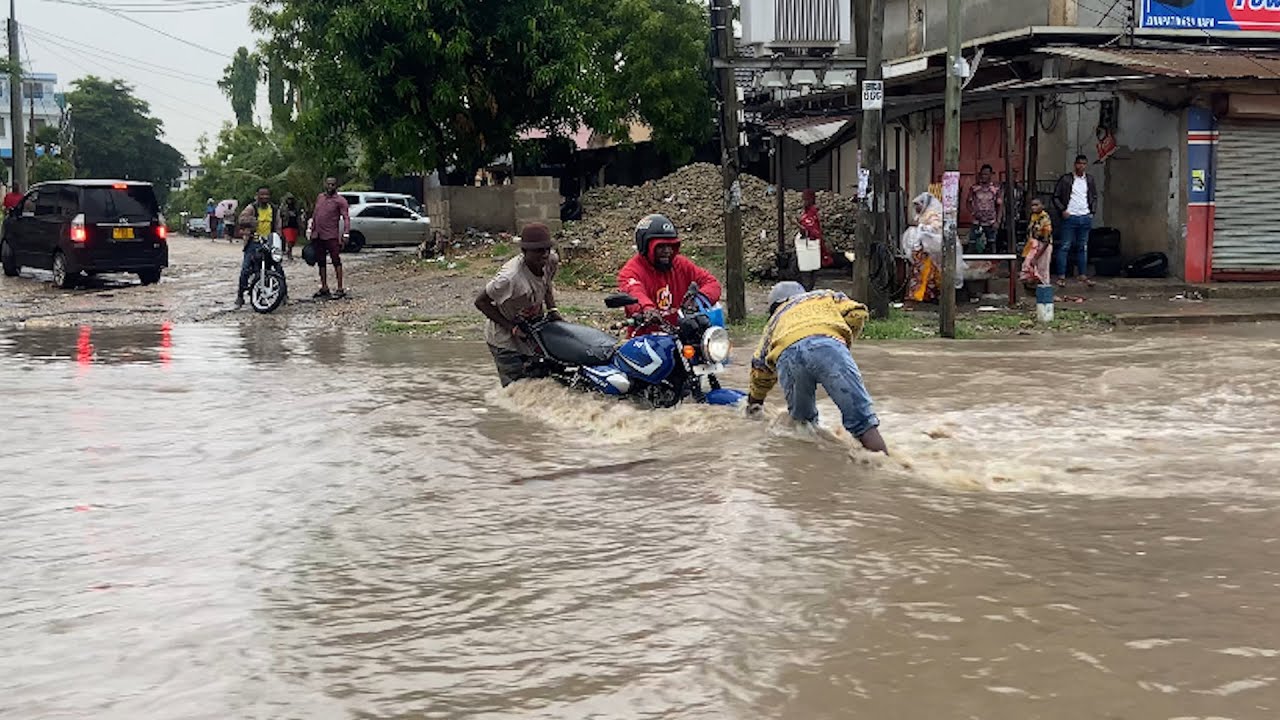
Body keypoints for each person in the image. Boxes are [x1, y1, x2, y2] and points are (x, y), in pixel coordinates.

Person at [745, 281, 887, 454]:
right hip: (828, 346)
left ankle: (810, 469)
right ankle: (889, 467)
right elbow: (857, 313)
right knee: (862, 422)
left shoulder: (774, 321)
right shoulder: (825, 295)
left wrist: (754, 404)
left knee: (803, 426)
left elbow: (760, 368)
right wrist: (843, 340)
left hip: (788, 356)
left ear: (774, 306)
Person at [475, 223, 562, 387]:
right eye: (538, 251)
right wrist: (511, 328)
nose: (543, 255)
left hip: (533, 331)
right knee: (515, 389)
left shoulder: (551, 260)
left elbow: (546, 284)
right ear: (524, 252)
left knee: (542, 381)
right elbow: (481, 302)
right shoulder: (509, 278)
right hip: (505, 338)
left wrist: (552, 309)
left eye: (546, 249)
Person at [617, 213, 722, 336]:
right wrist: (648, 310)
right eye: (661, 246)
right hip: (647, 340)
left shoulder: (680, 264)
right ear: (646, 246)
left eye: (671, 246)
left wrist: (699, 300)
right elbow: (634, 293)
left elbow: (711, 283)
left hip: (680, 338)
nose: (667, 251)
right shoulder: (631, 272)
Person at [1052, 154, 1098, 288]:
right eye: (1079, 164)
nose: (1081, 166)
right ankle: (1061, 275)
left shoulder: (1089, 179)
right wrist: (1063, 210)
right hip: (1070, 216)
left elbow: (1094, 197)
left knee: (1082, 246)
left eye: (1084, 164)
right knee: (1065, 246)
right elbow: (1056, 197)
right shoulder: (1066, 179)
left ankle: (1082, 274)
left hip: (1085, 216)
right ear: (1075, 164)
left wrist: (1091, 212)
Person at [234, 186, 279, 308]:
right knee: (245, 270)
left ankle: (282, 295)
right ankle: (240, 295)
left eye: (267, 195)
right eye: (262, 195)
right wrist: (252, 222)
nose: (264, 197)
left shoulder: (274, 209)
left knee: (277, 268)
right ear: (257, 196)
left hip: (269, 243)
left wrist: (278, 242)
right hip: (253, 242)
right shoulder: (251, 208)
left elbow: (278, 227)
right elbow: (241, 219)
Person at [310, 176, 351, 299]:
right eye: (328, 184)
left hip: (331, 235)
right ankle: (324, 287)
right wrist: (312, 229)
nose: (330, 187)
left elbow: (346, 217)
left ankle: (340, 288)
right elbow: (315, 213)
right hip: (318, 235)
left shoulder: (340, 200)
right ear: (325, 185)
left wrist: (346, 233)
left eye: (333, 185)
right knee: (321, 261)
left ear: (336, 186)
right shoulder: (320, 197)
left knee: (336, 261)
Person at [966, 164, 1003, 253]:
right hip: (977, 221)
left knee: (992, 244)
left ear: (991, 175)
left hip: (991, 221)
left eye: (986, 174)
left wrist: (998, 221)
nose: (983, 176)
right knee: (972, 243)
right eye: (982, 174)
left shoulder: (995, 189)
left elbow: (1000, 206)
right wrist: (973, 213)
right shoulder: (974, 188)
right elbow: (968, 202)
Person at [1019, 198, 1054, 288]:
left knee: (1043, 269)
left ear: (1042, 206)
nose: (1034, 207)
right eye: (1032, 205)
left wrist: (1036, 257)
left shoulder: (1045, 219)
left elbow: (1046, 240)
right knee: (1030, 267)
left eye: (1036, 205)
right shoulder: (1033, 216)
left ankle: (1045, 291)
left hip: (1043, 247)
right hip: (1034, 245)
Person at [278, 193, 303, 261]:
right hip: (286, 225)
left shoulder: (296, 207)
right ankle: (289, 253)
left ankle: (289, 250)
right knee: (289, 240)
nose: (290, 201)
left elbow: (298, 217)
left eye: (291, 199)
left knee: (293, 241)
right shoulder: (283, 207)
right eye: (288, 199)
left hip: (294, 225)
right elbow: (280, 216)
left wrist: (300, 225)